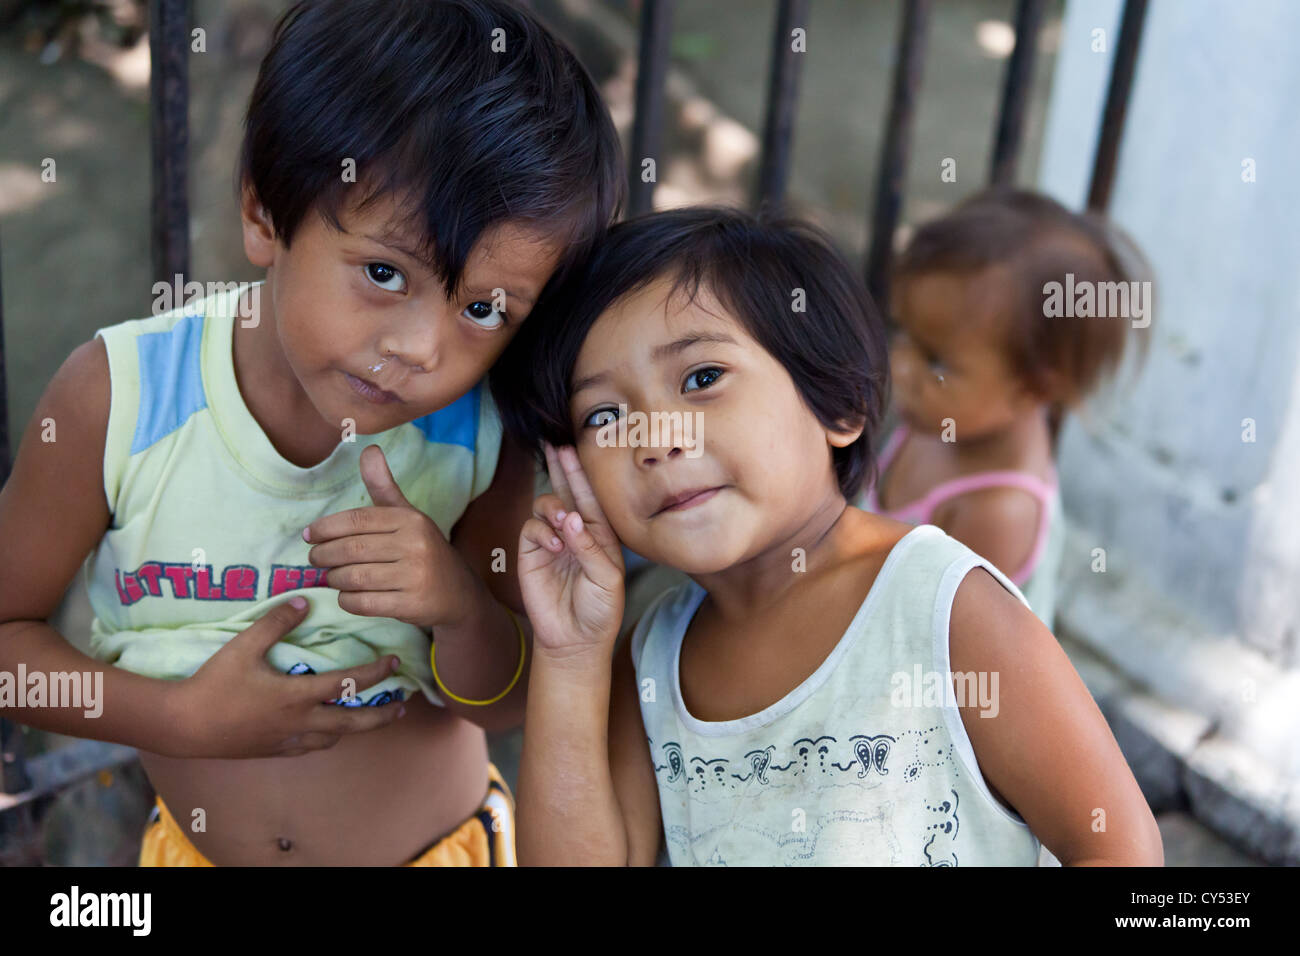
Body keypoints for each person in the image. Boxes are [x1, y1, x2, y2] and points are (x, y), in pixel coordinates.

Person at [0, 0, 623, 866]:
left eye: (485, 309)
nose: (420, 349)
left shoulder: (478, 436)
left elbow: (505, 703)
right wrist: (175, 719)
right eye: (383, 272)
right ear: (264, 214)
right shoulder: (120, 400)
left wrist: (454, 603)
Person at [494, 206, 1163, 865]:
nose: (657, 440)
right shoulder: (648, 665)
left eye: (701, 379)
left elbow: (1119, 848)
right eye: (605, 415)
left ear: (836, 403)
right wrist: (570, 657)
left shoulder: (944, 611)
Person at [861, 188, 1152, 627]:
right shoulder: (942, 416)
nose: (901, 367)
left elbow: (927, 643)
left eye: (936, 361)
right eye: (903, 333)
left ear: (1034, 386)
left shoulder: (996, 512)